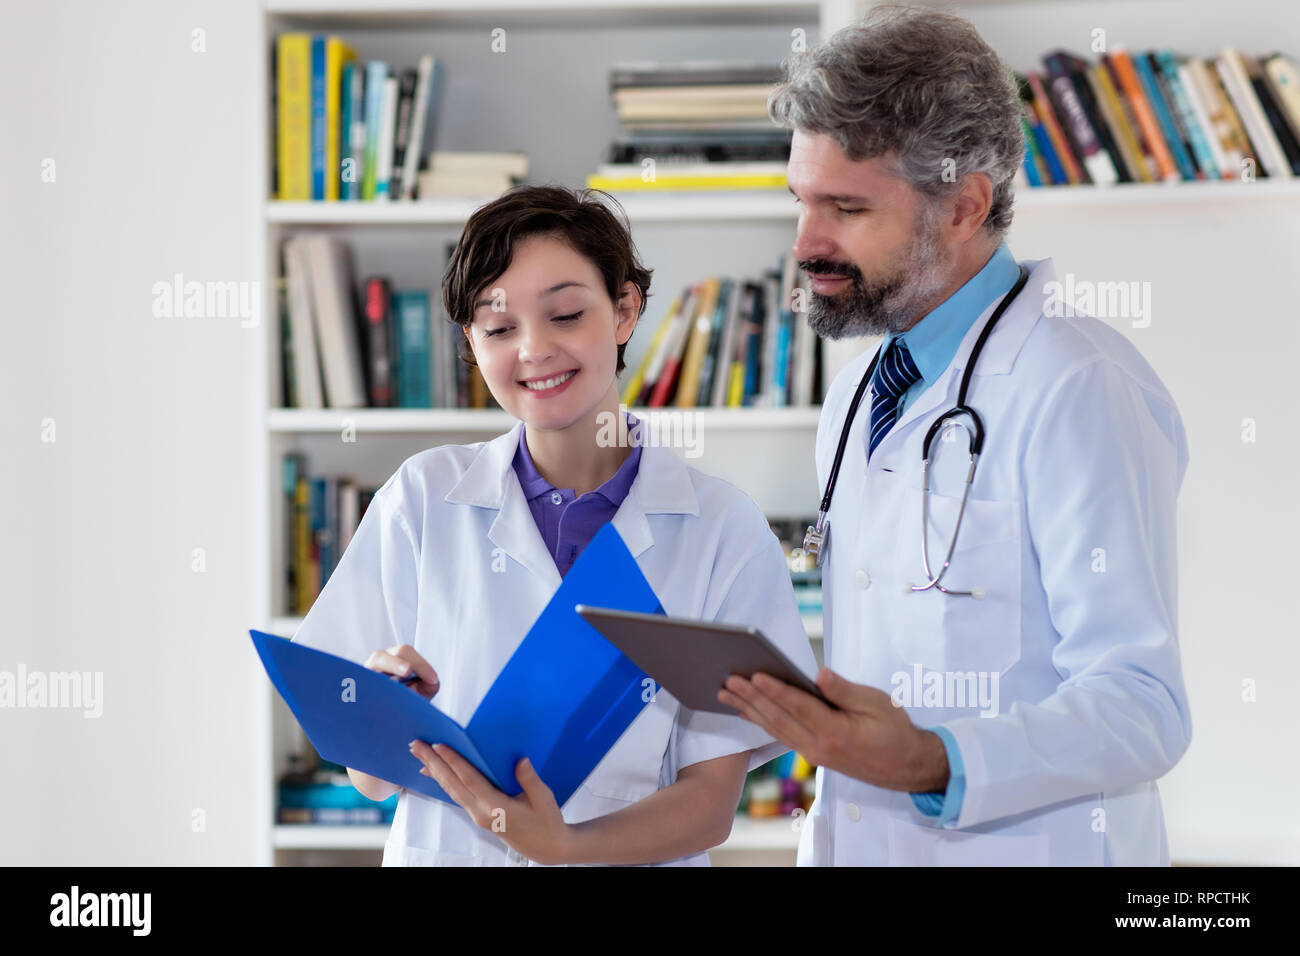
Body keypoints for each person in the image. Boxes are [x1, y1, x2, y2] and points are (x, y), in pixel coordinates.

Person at [720, 5, 1192, 866]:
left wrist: (937, 760)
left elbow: (1143, 704)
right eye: (800, 200)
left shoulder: (1080, 386)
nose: (805, 243)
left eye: (847, 208)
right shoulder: (862, 390)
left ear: (965, 205)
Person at [291, 184, 818, 866]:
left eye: (566, 314)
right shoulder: (421, 499)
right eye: (500, 328)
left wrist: (564, 848)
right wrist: (388, 707)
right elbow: (369, 777)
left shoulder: (722, 529)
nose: (535, 350)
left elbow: (710, 802)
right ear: (470, 343)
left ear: (625, 310)